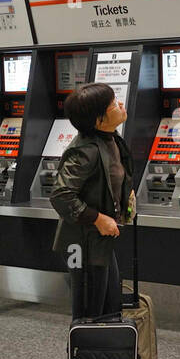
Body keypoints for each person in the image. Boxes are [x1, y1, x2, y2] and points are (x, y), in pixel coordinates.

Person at [50, 82, 135, 322]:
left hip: (99, 241)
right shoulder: (84, 151)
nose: (119, 104)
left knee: (109, 308)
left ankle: (102, 357)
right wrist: (97, 218)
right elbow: (61, 195)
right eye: (112, 104)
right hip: (83, 244)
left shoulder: (109, 138)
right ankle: (84, 358)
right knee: (89, 313)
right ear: (98, 120)